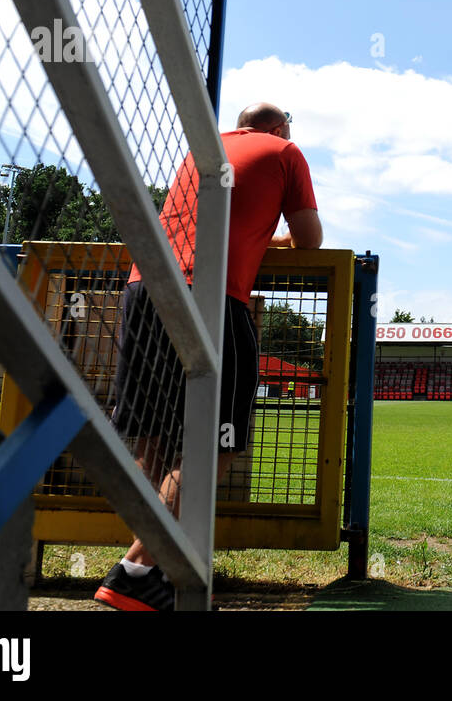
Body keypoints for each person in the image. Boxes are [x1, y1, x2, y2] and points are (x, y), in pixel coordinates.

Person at [94, 103, 321, 611]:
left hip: (143, 286)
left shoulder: (204, 145)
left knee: (151, 442)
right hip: (212, 294)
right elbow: (310, 239)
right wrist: (273, 239)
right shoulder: (285, 150)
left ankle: (163, 576)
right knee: (217, 443)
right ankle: (134, 570)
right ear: (280, 127)